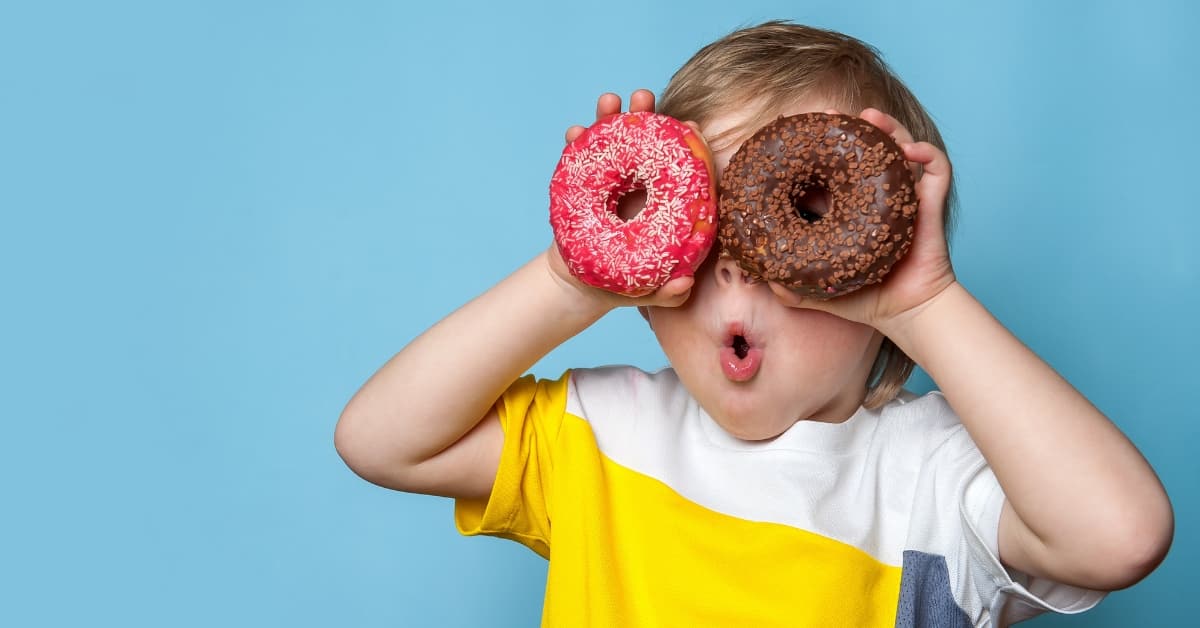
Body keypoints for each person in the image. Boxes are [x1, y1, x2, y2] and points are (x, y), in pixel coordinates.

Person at [334, 21, 1173, 627]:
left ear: (877, 252)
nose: (736, 260)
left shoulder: (934, 484)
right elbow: (381, 439)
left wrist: (924, 305)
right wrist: (573, 279)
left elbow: (1120, 536)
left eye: (802, 216)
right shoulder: (601, 436)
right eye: (699, 224)